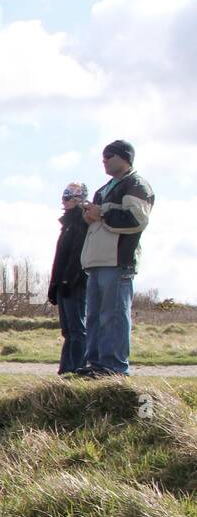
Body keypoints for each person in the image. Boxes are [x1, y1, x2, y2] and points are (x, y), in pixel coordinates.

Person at [78, 139, 155, 379]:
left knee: (113, 315)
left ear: (125, 157)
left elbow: (136, 220)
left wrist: (102, 212)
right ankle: (96, 363)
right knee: (94, 316)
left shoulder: (136, 184)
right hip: (97, 260)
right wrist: (90, 215)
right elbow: (100, 219)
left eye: (109, 155)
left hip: (118, 260)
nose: (104, 159)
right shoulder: (104, 188)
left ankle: (114, 367)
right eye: (103, 156)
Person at [48, 183, 91, 376]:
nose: (64, 201)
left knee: (77, 328)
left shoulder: (81, 222)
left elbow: (77, 256)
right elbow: (60, 257)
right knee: (68, 330)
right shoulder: (67, 224)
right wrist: (54, 284)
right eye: (64, 197)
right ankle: (66, 369)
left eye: (68, 197)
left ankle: (77, 367)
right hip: (63, 283)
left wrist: (68, 281)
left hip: (76, 284)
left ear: (78, 199)